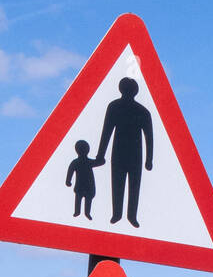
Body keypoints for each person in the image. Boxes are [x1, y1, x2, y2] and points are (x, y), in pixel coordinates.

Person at [93, 78, 153, 227]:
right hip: (122, 153)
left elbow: (149, 137)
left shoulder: (141, 111)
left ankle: (130, 216)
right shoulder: (115, 107)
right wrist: (101, 155)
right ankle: (118, 214)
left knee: (131, 184)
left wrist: (149, 159)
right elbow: (106, 131)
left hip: (133, 153)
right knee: (120, 183)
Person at [65, 139, 97, 220]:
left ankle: (87, 213)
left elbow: (99, 162)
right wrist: (68, 181)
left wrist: (101, 158)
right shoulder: (76, 162)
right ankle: (77, 212)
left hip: (88, 185)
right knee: (79, 198)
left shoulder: (88, 161)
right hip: (81, 185)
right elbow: (70, 171)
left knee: (88, 199)